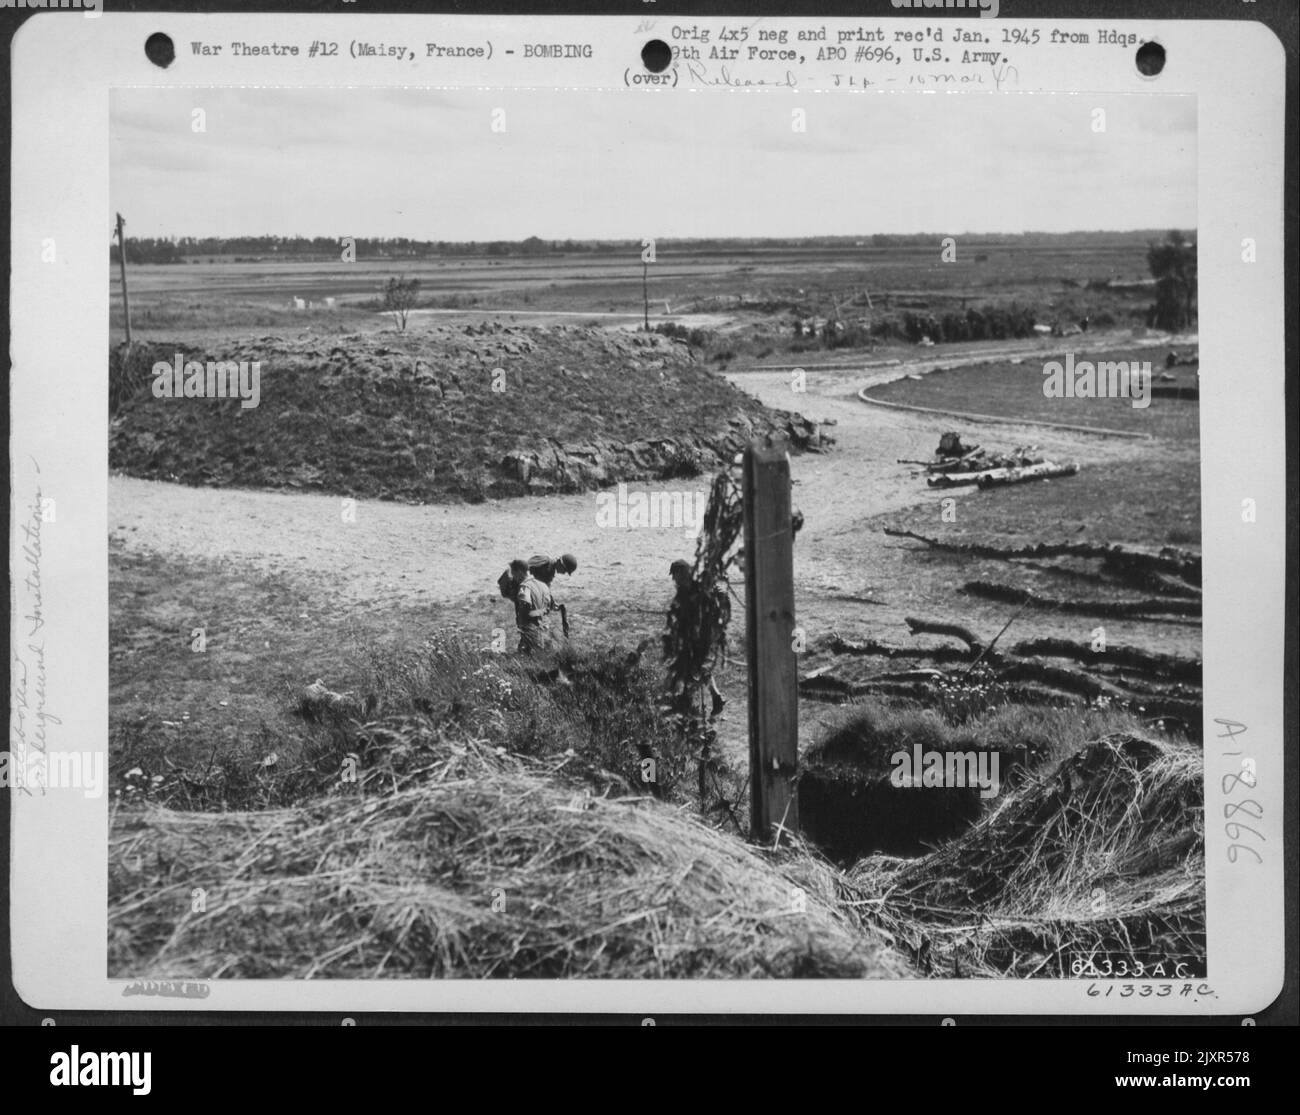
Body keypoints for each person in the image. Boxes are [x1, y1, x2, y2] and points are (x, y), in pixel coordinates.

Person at [666, 558, 726, 718]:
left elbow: (718, 593)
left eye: (675, 575)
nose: (674, 579)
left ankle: (705, 700)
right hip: (694, 633)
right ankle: (714, 697)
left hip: (705, 632)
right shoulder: (684, 591)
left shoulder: (698, 586)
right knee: (696, 666)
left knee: (697, 665)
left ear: (682, 573)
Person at [513, 559, 557, 655]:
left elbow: (525, 606)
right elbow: (550, 606)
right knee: (547, 656)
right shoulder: (543, 585)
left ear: (519, 572)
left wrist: (521, 623)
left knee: (525, 657)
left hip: (532, 629)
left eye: (513, 573)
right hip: (545, 627)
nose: (513, 577)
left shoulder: (524, 587)